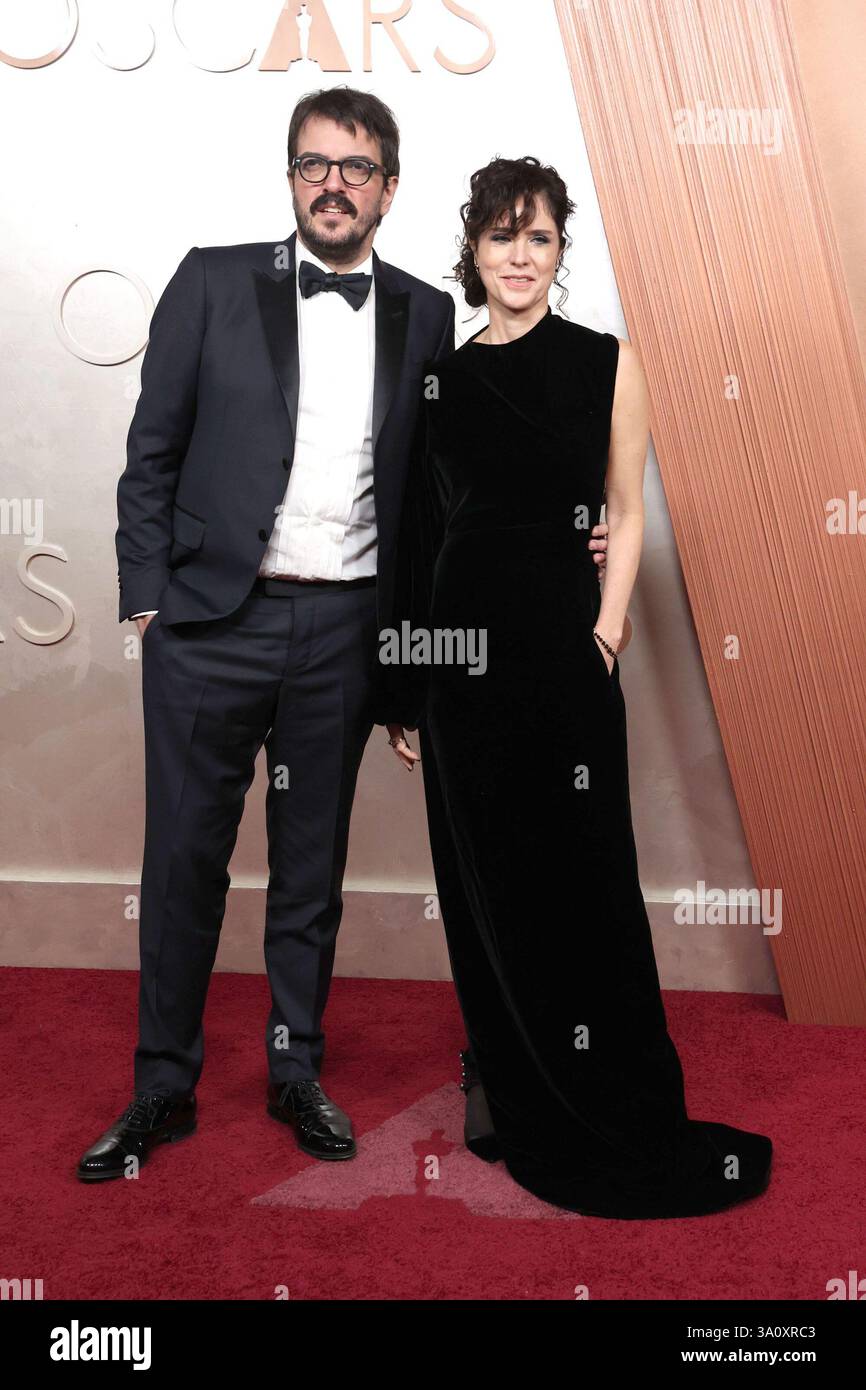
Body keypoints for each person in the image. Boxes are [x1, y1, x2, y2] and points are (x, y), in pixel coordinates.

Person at [77, 86, 611, 1182]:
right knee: (182, 862)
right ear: (290, 179)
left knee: (310, 869)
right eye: (315, 164)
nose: (334, 183)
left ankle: (294, 1072)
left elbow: (458, 492)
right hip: (210, 626)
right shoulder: (212, 281)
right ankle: (159, 1091)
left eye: (356, 167)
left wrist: (576, 539)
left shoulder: (424, 314)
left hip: (344, 630)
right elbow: (151, 455)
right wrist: (148, 595)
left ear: (388, 188)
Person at [382, 156, 773, 1219]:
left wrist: (605, 630)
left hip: (561, 654)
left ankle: (603, 1096)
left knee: (582, 882)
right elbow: (419, 539)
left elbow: (625, 504)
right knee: (487, 886)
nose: (519, 254)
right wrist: (404, 684)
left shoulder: (607, 360)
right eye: (501, 235)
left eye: (540, 236)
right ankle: (506, 1087)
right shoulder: (440, 380)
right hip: (459, 667)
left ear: (561, 251)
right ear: (471, 249)